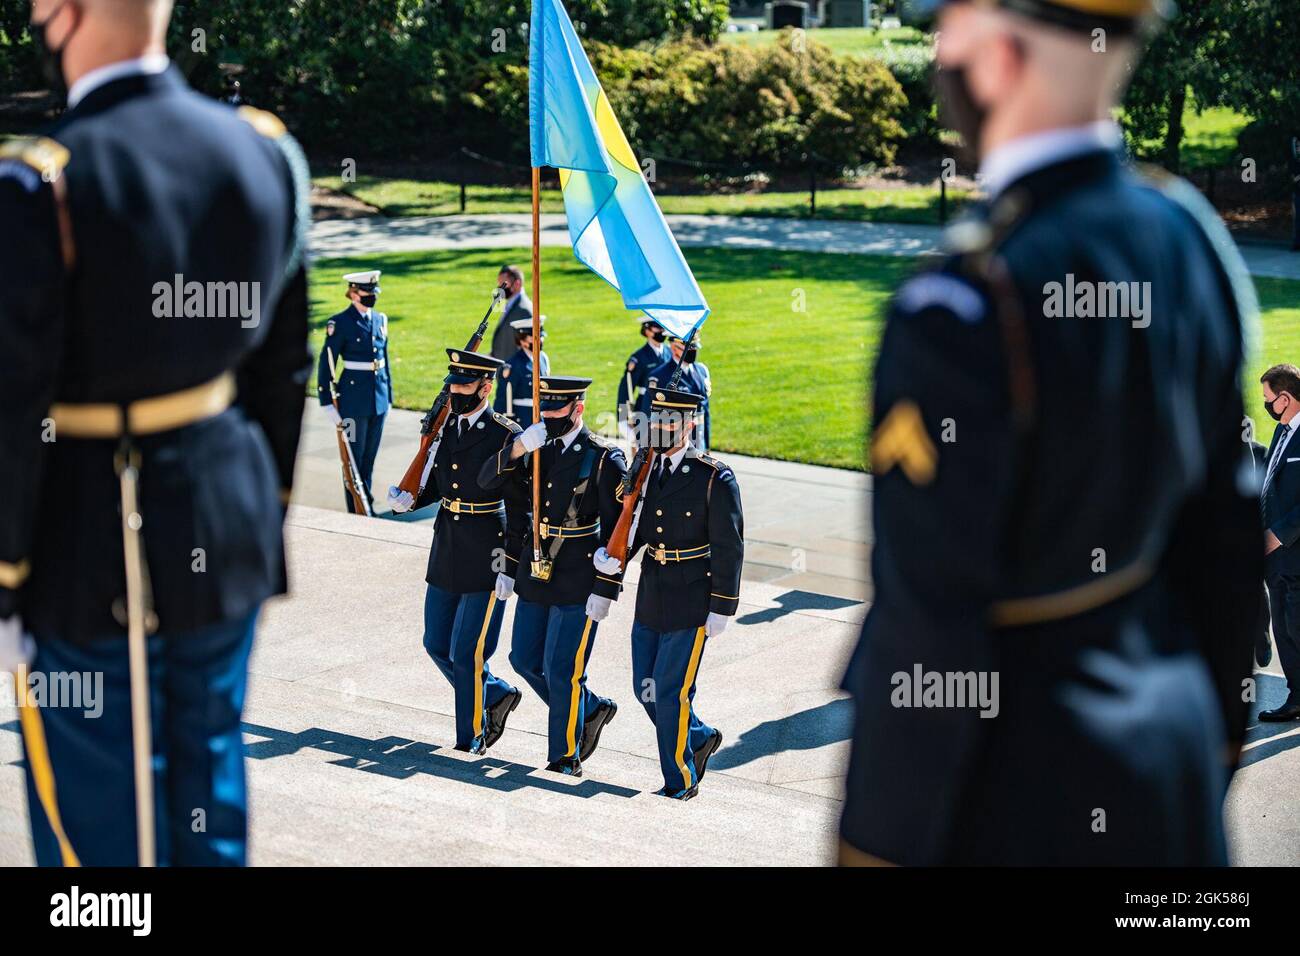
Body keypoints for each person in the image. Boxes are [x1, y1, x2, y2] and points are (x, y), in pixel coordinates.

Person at [840, 0, 1263, 865]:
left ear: (997, 58)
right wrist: (1205, 750)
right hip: (1170, 781)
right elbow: (1223, 546)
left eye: (945, 31)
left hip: (1016, 801)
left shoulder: (958, 304)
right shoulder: (1185, 234)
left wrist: (874, 848)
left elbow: (928, 634)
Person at [0, 0, 310, 866]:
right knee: (206, 789)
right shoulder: (261, 149)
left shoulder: (42, 182)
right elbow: (280, 374)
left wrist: (4, 578)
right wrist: (259, 515)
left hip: (84, 546)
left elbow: (11, 412)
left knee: (97, 829)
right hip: (222, 529)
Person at [593, 387, 743, 799]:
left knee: (670, 690)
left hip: (694, 597)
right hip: (653, 591)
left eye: (670, 422)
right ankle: (698, 736)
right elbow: (636, 526)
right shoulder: (648, 469)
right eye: (655, 420)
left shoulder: (714, 477)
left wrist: (723, 606)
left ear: (690, 423)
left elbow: (730, 546)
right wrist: (612, 565)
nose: (660, 427)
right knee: (645, 686)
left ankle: (680, 780)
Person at [479, 376, 625, 776]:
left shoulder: (602, 458)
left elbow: (618, 532)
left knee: (562, 670)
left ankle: (565, 756)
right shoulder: (534, 449)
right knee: (523, 658)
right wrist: (518, 447)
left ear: (578, 409)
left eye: (557, 411)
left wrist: (607, 588)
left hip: (578, 574)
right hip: (535, 566)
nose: (548, 418)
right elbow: (486, 481)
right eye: (544, 411)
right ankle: (590, 708)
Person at [387, 350, 527, 752]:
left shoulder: (506, 436)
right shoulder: (447, 427)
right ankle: (496, 693)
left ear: (486, 388)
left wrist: (510, 564)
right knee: (436, 643)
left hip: (488, 550)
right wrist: (409, 499)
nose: (455, 391)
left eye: (464, 385)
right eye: (452, 384)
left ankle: (471, 738)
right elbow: (438, 481)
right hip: (447, 543)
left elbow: (521, 509)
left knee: (467, 653)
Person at [317, 270, 392, 513]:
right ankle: (357, 510)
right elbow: (327, 362)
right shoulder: (340, 323)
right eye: (366, 292)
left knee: (368, 460)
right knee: (353, 462)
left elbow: (384, 360)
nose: (371, 296)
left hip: (377, 400)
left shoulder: (380, 320)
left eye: (373, 292)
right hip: (352, 401)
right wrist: (326, 400)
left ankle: (365, 507)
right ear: (352, 292)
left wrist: (388, 396)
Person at [1259, 364, 1300, 721]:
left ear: (1286, 398)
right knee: (1283, 625)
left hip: (1293, 549)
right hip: (1276, 557)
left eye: (1270, 400)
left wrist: (1277, 535)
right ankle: (1297, 695)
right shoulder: (1281, 431)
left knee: (1297, 624)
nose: (1267, 408)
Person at [641, 334, 712, 451]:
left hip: (699, 439)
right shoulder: (659, 376)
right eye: (689, 348)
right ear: (674, 348)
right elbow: (649, 414)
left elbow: (705, 411)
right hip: (674, 442)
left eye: (694, 348)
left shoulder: (702, 371)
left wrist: (707, 446)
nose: (693, 351)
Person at [494, 315, 549, 425]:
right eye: (535, 338)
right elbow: (504, 398)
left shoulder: (543, 358)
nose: (541, 340)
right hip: (522, 420)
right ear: (522, 340)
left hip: (541, 417)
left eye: (540, 336)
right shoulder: (513, 365)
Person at [617, 319, 668, 435]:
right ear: (647, 331)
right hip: (645, 406)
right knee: (642, 443)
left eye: (662, 327)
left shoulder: (670, 353)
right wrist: (625, 416)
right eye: (657, 328)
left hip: (667, 405)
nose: (661, 331)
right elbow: (627, 388)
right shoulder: (639, 357)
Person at [489, 265, 533, 360]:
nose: (500, 289)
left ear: (517, 284)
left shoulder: (524, 309)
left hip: (513, 371)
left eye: (504, 285)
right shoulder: (511, 304)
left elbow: (528, 348)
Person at [1290, 136, 1300, 252]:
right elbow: (1294, 178)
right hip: (1298, 193)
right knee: (1297, 219)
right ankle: (1297, 242)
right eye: (1297, 147)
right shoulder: (1295, 162)